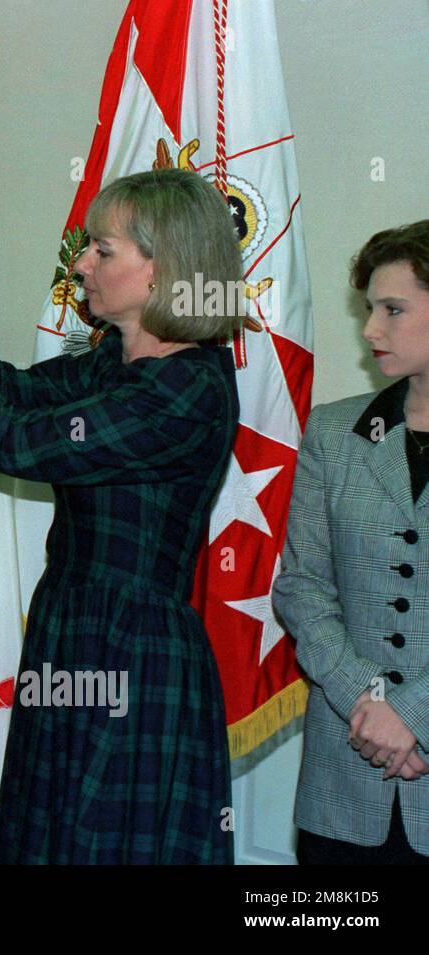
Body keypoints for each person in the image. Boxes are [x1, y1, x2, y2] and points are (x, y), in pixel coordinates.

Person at [0, 168, 243, 863]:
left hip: (131, 650)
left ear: (164, 268)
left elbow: (16, 441)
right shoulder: (116, 364)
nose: (82, 265)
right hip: (75, 630)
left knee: (109, 843)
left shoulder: (188, 388)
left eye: (102, 250)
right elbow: (19, 391)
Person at [273, 220, 429, 864]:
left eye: (394, 310)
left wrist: (411, 715)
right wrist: (368, 701)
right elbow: (304, 587)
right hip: (344, 769)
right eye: (370, 309)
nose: (371, 330)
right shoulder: (336, 434)